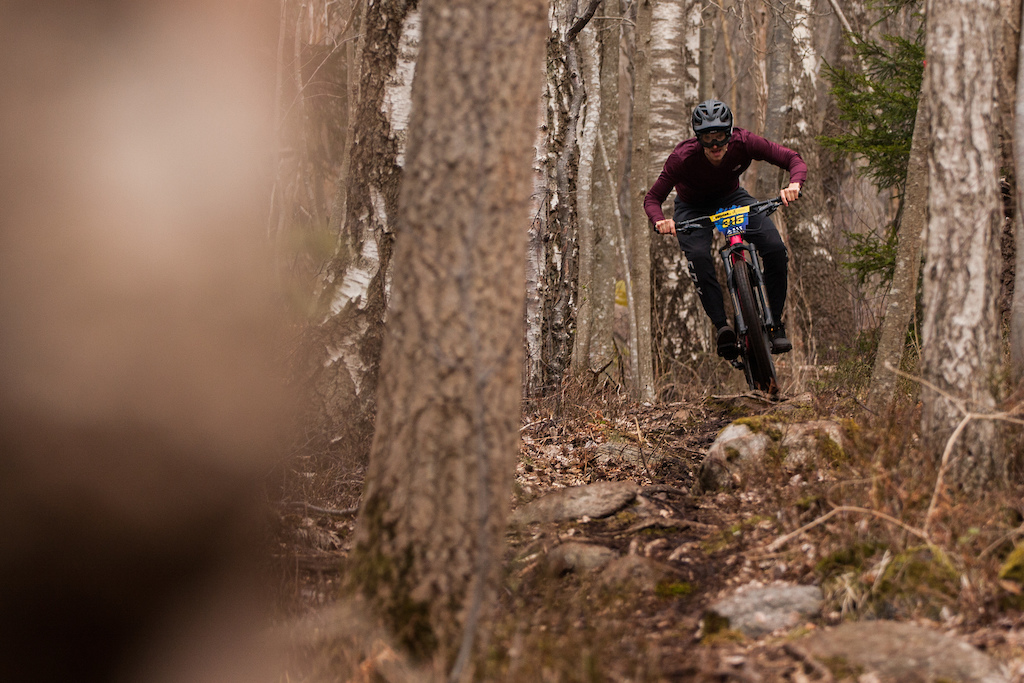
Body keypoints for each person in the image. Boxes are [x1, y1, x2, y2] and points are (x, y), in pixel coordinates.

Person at [644, 99, 805, 359]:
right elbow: (652, 199)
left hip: (732, 199)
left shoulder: (745, 142)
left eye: (720, 136)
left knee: (775, 249)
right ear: (698, 139)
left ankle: (775, 322)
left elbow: (791, 158)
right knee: (697, 256)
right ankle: (723, 328)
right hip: (692, 206)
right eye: (708, 139)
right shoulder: (682, 157)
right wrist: (660, 220)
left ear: (730, 132)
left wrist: (794, 184)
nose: (715, 145)